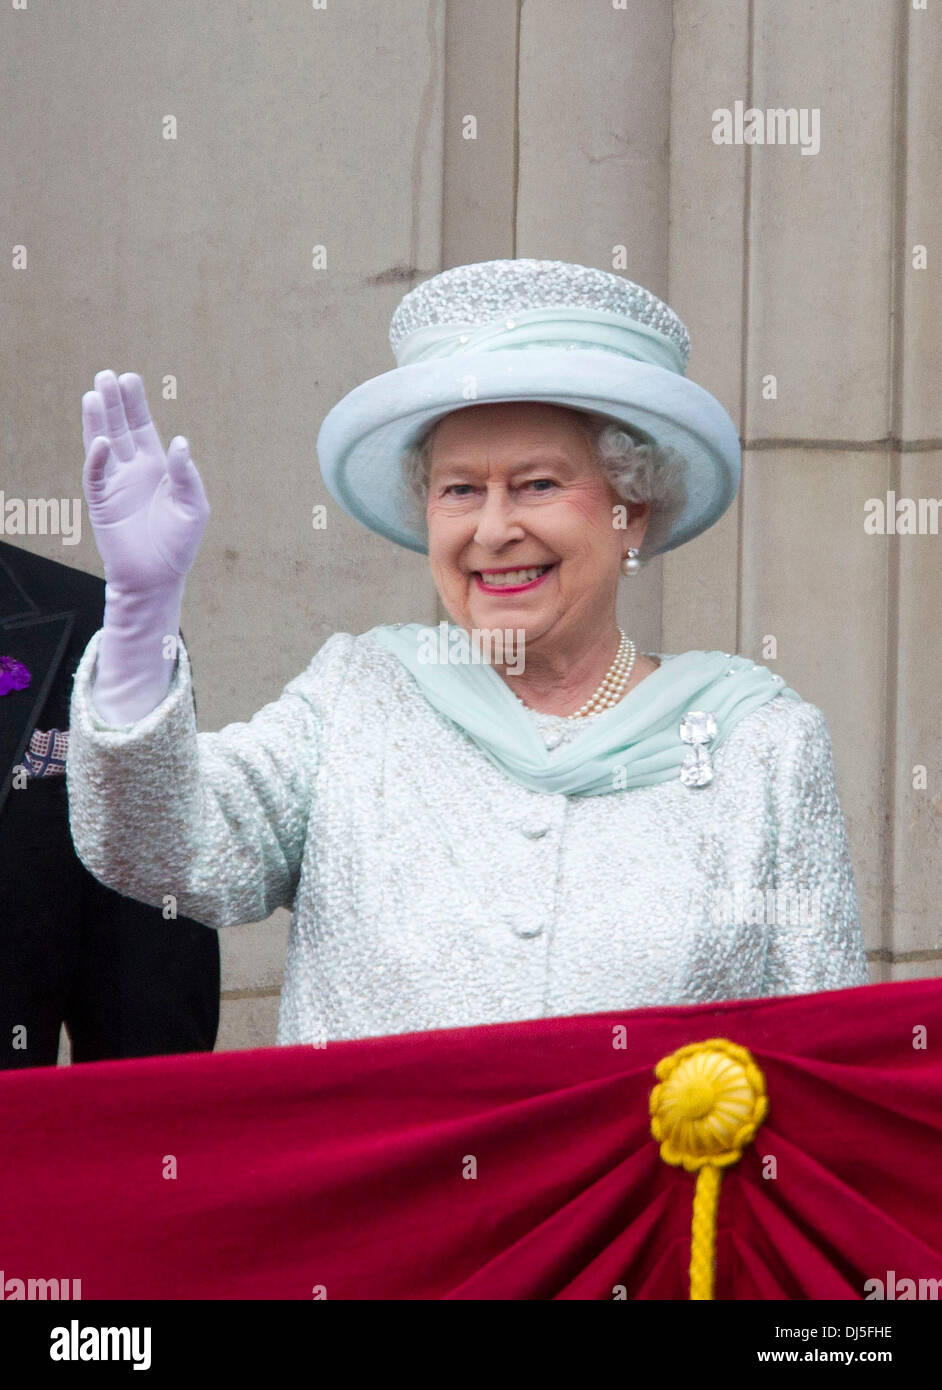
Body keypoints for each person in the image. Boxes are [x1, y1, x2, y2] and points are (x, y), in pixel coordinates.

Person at [65, 258, 869, 1047]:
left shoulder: (760, 746)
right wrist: (142, 613)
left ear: (631, 510)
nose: (492, 530)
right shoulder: (357, 698)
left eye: (538, 485)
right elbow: (163, 847)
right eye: (460, 491)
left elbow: (828, 1066)